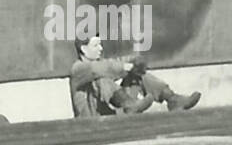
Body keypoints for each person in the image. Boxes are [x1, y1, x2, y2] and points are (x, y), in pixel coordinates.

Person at [69, 35, 201, 118]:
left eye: (100, 44)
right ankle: (129, 104)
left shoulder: (98, 63)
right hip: (92, 120)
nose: (101, 48)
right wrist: (125, 66)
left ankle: (172, 99)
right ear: (84, 49)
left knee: (135, 75)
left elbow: (115, 62)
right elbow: (104, 68)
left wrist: (134, 60)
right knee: (101, 79)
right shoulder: (78, 68)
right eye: (96, 45)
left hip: (113, 114)